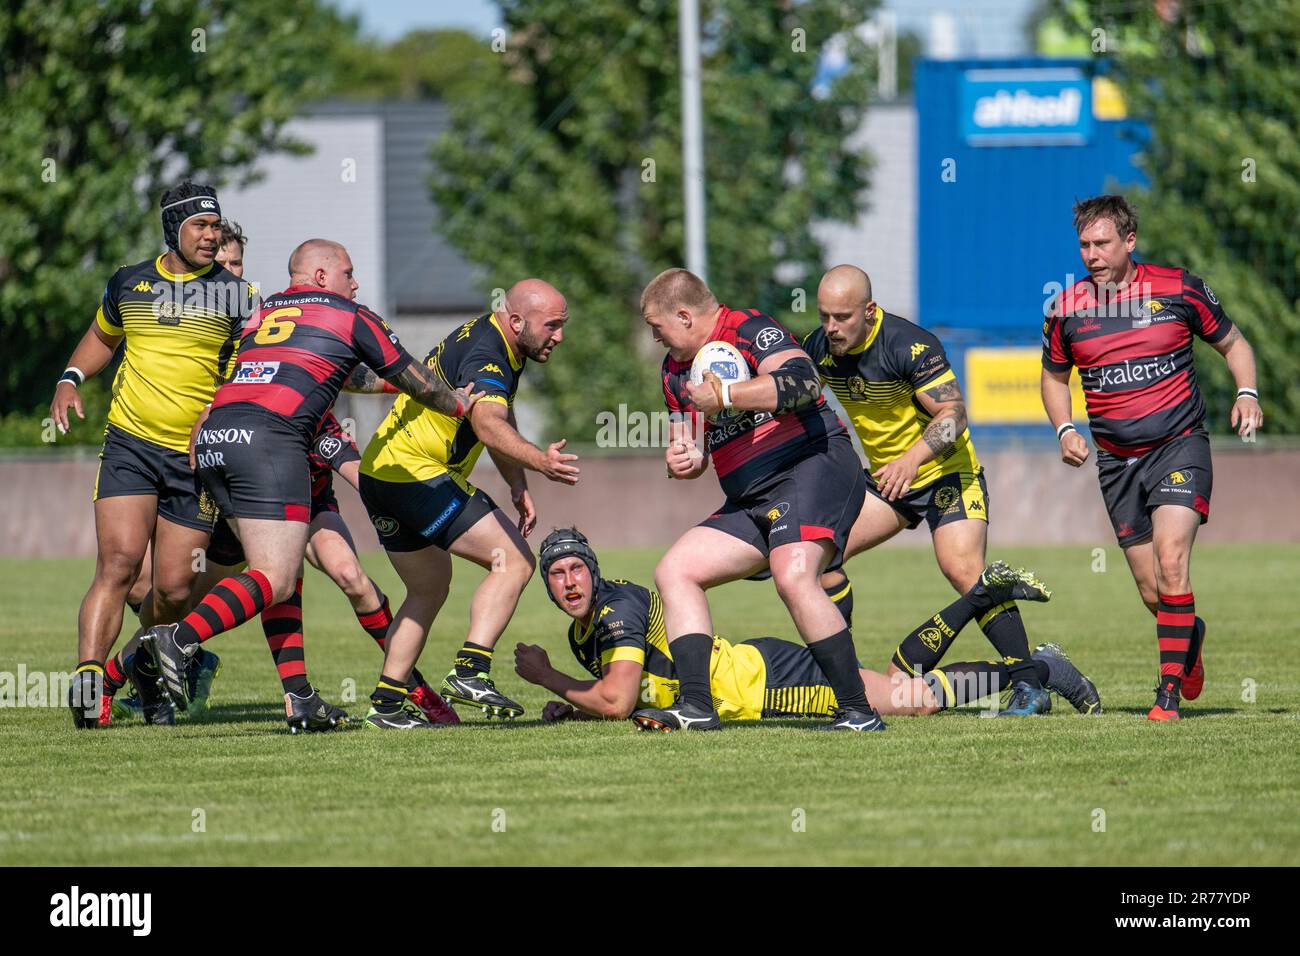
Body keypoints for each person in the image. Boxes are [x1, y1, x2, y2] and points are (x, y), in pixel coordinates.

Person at [140, 239, 477, 732]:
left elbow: (349, 375)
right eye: (349, 271)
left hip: (217, 435)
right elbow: (414, 380)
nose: (356, 283)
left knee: (279, 574)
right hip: (270, 441)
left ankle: (299, 698)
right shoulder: (348, 313)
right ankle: (178, 639)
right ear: (321, 276)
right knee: (274, 578)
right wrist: (459, 404)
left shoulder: (266, 311)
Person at [1041, 195, 1263, 720]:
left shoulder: (1179, 287)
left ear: (1129, 241)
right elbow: (1053, 378)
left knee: (1171, 562)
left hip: (1179, 444)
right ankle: (1191, 634)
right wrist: (1064, 427)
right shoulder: (1066, 308)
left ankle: (1165, 696)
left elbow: (1235, 344)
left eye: (1103, 243)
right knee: (1152, 591)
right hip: (1117, 463)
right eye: (1084, 245)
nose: (1092, 254)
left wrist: (1247, 393)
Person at [514, 529, 1101, 725]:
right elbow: (635, 687)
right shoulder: (584, 630)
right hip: (757, 671)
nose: (569, 582)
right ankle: (982, 598)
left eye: (577, 570)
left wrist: (548, 679)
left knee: (909, 700)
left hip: (764, 683)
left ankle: (1040, 665)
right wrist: (576, 702)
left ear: (594, 572)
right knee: (898, 681)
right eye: (557, 574)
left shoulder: (616, 609)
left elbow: (618, 700)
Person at [638, 268, 883, 731]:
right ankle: (696, 706)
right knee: (675, 571)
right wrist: (682, 458)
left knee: (792, 575)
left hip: (812, 464)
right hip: (751, 496)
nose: (654, 337)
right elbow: (688, 445)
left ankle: (858, 711)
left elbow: (805, 382)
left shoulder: (749, 328)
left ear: (685, 316)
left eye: (657, 326)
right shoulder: (673, 371)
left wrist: (727, 393)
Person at [801, 264, 1049, 716]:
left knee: (963, 571)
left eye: (842, 317)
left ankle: (1031, 684)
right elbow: (795, 405)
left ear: (869, 311)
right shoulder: (819, 348)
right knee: (821, 559)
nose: (831, 328)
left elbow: (955, 415)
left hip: (945, 474)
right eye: (824, 317)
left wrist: (912, 458)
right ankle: (848, 677)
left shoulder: (909, 345)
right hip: (888, 483)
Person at [53, 183, 254, 729]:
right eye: (201, 228)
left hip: (195, 462)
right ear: (173, 230)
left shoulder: (238, 296)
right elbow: (102, 336)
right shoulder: (129, 281)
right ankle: (90, 685)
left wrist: (215, 421)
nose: (212, 237)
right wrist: (71, 379)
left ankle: (143, 665)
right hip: (130, 446)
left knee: (173, 588)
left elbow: (244, 376)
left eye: (217, 227)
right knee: (117, 567)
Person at [356, 279, 577, 729]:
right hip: (416, 475)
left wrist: (516, 483)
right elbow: (489, 422)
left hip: (379, 474)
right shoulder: (489, 353)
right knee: (513, 559)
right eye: (552, 326)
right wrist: (539, 462)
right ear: (516, 321)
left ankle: (386, 706)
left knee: (428, 588)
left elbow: (496, 412)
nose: (559, 336)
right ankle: (471, 672)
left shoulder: (491, 336)